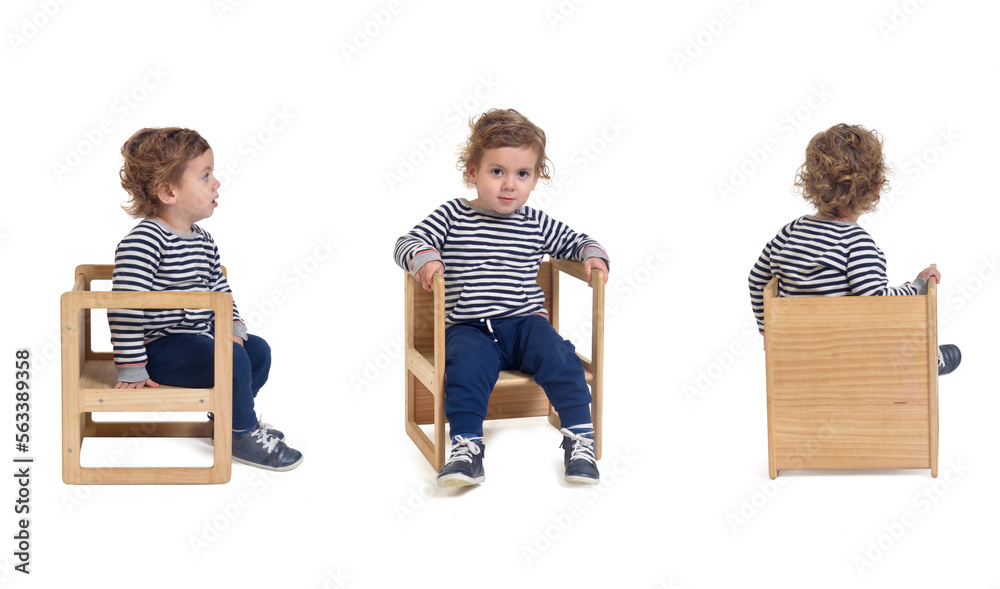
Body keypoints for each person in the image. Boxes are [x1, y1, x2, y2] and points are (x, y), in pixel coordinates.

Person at [394, 109, 609, 486]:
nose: (510, 184)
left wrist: (592, 253)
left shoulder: (535, 222)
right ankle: (467, 446)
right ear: (472, 173)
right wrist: (426, 258)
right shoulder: (452, 215)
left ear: (535, 178)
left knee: (561, 356)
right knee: (465, 368)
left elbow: (577, 241)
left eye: (522, 174)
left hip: (525, 324)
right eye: (497, 172)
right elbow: (406, 242)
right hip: (469, 326)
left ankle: (580, 439)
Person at [109, 127, 303, 471]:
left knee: (257, 351)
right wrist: (132, 366)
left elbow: (219, 290)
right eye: (205, 175)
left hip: (198, 341)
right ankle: (242, 433)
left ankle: (231, 420)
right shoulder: (145, 240)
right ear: (169, 191)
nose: (216, 183)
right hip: (160, 349)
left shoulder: (203, 239)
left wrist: (235, 328)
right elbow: (124, 306)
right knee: (231, 359)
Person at [748, 123, 960, 374]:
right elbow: (875, 302)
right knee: (904, 318)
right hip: (851, 358)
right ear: (875, 187)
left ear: (811, 185)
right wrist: (915, 288)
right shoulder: (856, 243)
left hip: (799, 355)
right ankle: (926, 360)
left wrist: (767, 329)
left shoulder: (788, 233)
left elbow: (757, 279)